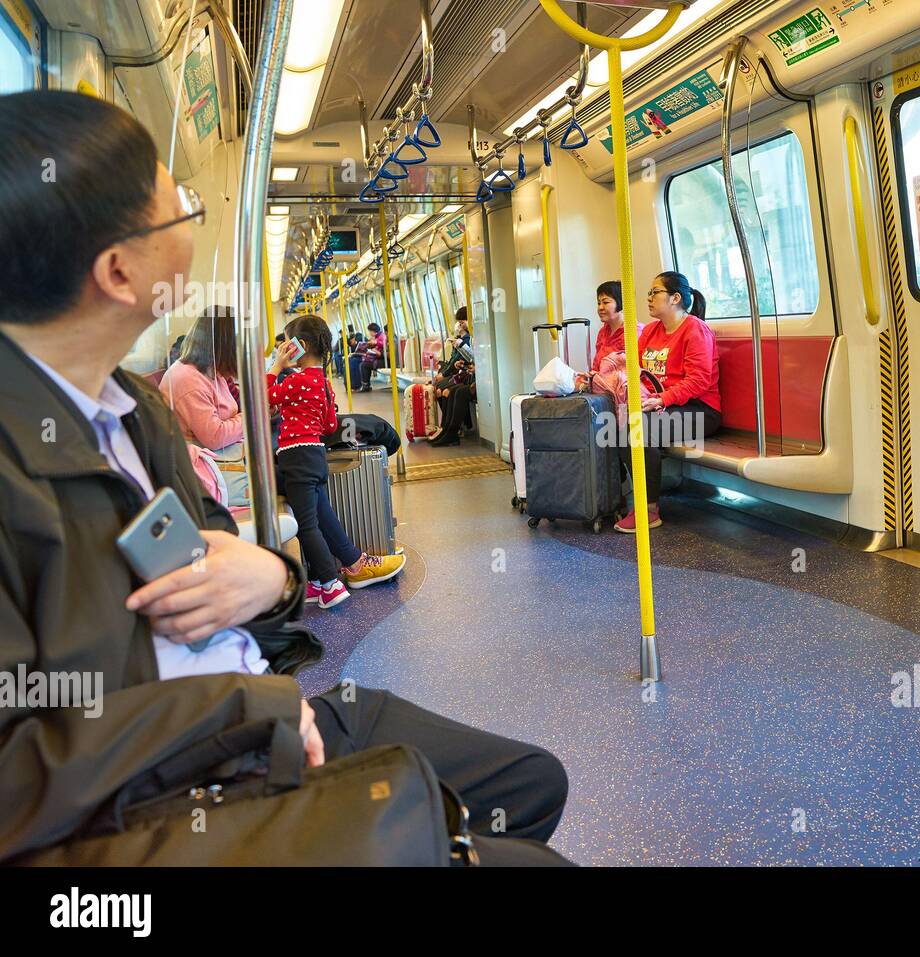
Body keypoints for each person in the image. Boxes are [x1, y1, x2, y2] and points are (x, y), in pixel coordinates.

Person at [0, 89, 569, 865]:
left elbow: (219, 564)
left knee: (532, 780)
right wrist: (241, 706)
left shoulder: (134, 409)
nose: (196, 225)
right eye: (182, 207)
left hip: (258, 710)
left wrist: (271, 576)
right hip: (164, 796)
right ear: (119, 270)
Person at [268, 314, 406, 607]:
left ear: (300, 346)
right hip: (315, 455)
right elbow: (331, 426)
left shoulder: (294, 381)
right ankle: (320, 582)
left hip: (295, 456)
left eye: (289, 345)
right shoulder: (324, 383)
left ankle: (330, 583)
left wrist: (276, 367)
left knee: (306, 525)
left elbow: (266, 396)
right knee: (320, 513)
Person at [615, 271, 722, 533]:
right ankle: (617, 500)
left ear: (675, 298)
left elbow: (699, 381)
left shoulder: (696, 330)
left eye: (655, 292)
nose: (648, 298)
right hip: (663, 406)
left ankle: (648, 510)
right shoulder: (651, 331)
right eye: (649, 293)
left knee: (638, 432)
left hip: (700, 410)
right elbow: (635, 367)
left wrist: (662, 398)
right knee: (613, 427)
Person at [158, 305, 249, 507]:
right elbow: (215, 436)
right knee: (295, 481)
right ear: (225, 345)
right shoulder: (187, 380)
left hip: (227, 463)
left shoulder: (210, 372)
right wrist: (249, 417)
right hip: (208, 476)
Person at [356, 321, 387, 392]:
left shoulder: (381, 336)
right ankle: (365, 385)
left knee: (363, 365)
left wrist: (375, 343)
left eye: (370, 331)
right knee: (363, 363)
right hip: (378, 357)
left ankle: (366, 385)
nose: (369, 333)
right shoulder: (377, 337)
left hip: (381, 359)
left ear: (373, 331)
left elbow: (382, 345)